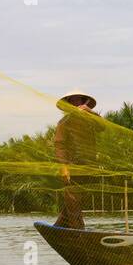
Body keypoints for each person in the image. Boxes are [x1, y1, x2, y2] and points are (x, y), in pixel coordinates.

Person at [53, 88, 99, 229]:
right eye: (72, 101)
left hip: (89, 165)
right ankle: (78, 229)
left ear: (83, 102)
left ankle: (59, 227)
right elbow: (59, 145)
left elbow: (103, 126)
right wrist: (64, 167)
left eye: (78, 100)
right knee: (72, 198)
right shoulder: (64, 122)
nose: (75, 104)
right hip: (73, 166)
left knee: (77, 199)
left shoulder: (90, 120)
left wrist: (89, 111)